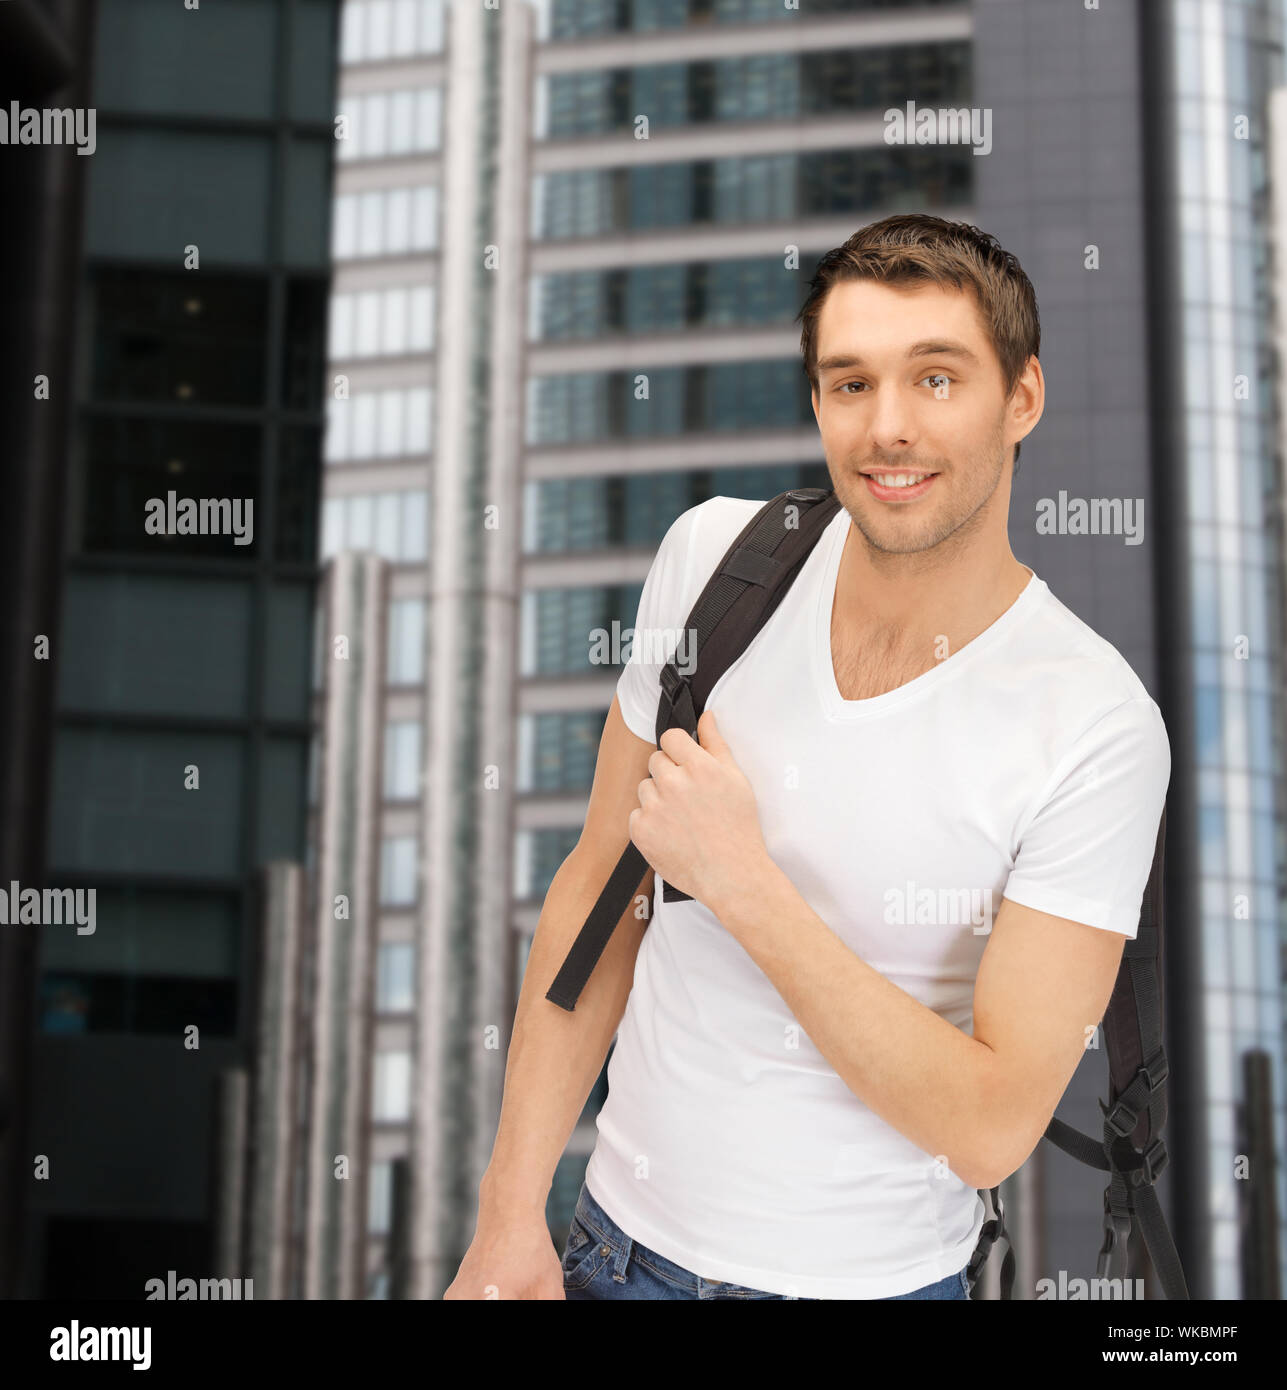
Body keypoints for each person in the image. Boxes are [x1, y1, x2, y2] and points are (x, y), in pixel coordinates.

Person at [443, 214, 1170, 1301]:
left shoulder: (1096, 724)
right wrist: (509, 1216)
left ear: (1022, 397)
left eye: (937, 379)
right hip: (609, 1251)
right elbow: (600, 893)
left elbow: (989, 1127)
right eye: (849, 384)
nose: (889, 428)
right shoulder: (715, 563)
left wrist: (743, 882)